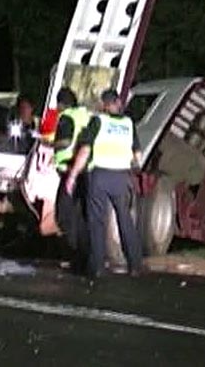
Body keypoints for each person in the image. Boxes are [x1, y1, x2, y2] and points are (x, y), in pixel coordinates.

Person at [65, 88, 145, 278]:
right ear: (117, 103)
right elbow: (137, 154)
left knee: (97, 223)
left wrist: (73, 175)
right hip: (121, 178)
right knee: (125, 220)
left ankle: (97, 267)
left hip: (100, 176)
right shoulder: (128, 124)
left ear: (103, 105)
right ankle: (135, 265)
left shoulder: (98, 121)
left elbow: (85, 150)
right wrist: (134, 168)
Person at [52, 87, 91, 272]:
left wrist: (52, 143)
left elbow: (64, 143)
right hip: (86, 171)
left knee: (64, 215)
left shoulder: (66, 117)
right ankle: (82, 256)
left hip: (69, 169)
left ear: (61, 103)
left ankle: (72, 256)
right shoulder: (86, 116)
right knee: (80, 216)